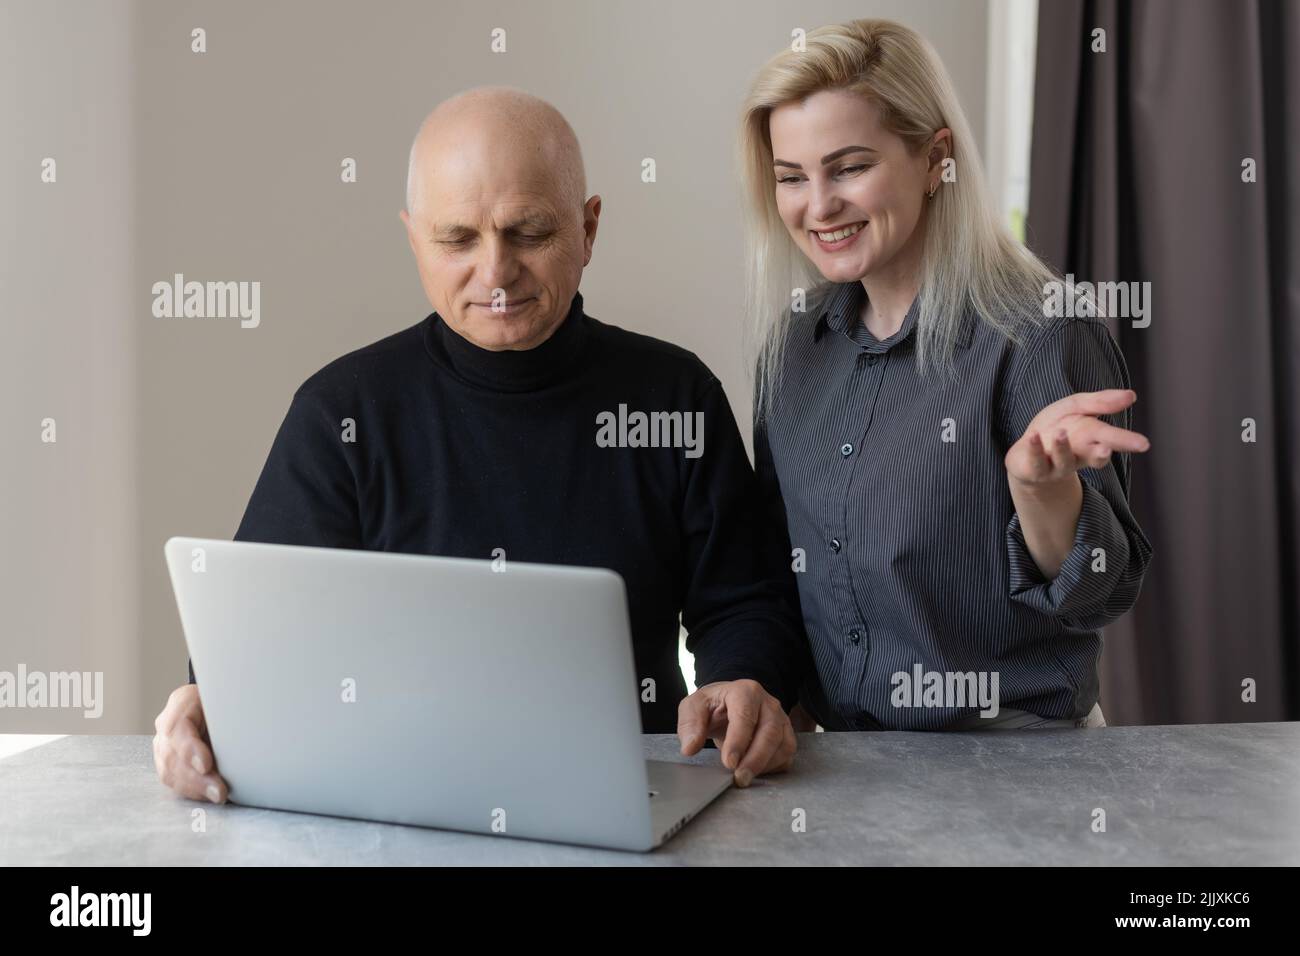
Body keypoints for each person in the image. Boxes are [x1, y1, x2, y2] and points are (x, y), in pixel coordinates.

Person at [154, 87, 805, 805]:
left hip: (634, 788)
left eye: (527, 232)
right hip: (396, 799)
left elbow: (745, 603)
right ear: (414, 239)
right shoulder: (340, 413)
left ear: (588, 230)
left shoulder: (676, 397)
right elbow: (256, 629)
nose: (495, 273)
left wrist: (739, 683)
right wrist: (204, 698)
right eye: (457, 239)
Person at [738, 19, 1153, 732]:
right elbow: (777, 575)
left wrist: (1042, 493)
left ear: (936, 160)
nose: (818, 205)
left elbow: (1102, 592)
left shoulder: (1040, 334)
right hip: (841, 777)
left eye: (849, 167)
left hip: (1016, 778)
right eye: (791, 178)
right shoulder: (794, 349)